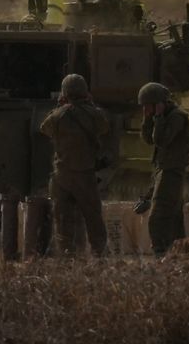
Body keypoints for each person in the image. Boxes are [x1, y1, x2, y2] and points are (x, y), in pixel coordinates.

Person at [38, 74, 111, 256]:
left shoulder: (58, 116)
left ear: (64, 93)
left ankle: (67, 257)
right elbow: (104, 128)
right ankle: (99, 255)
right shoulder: (94, 114)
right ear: (85, 92)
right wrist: (90, 105)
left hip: (62, 175)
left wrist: (60, 106)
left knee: (63, 220)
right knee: (93, 218)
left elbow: (44, 129)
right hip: (85, 174)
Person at [133, 81, 189, 255]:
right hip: (164, 169)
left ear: (159, 104)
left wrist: (157, 118)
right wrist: (148, 119)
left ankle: (161, 253)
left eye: (148, 106)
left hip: (172, 171)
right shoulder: (164, 116)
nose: (146, 109)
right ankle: (180, 254)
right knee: (174, 218)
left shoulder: (177, 117)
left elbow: (161, 140)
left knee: (157, 218)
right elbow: (148, 139)